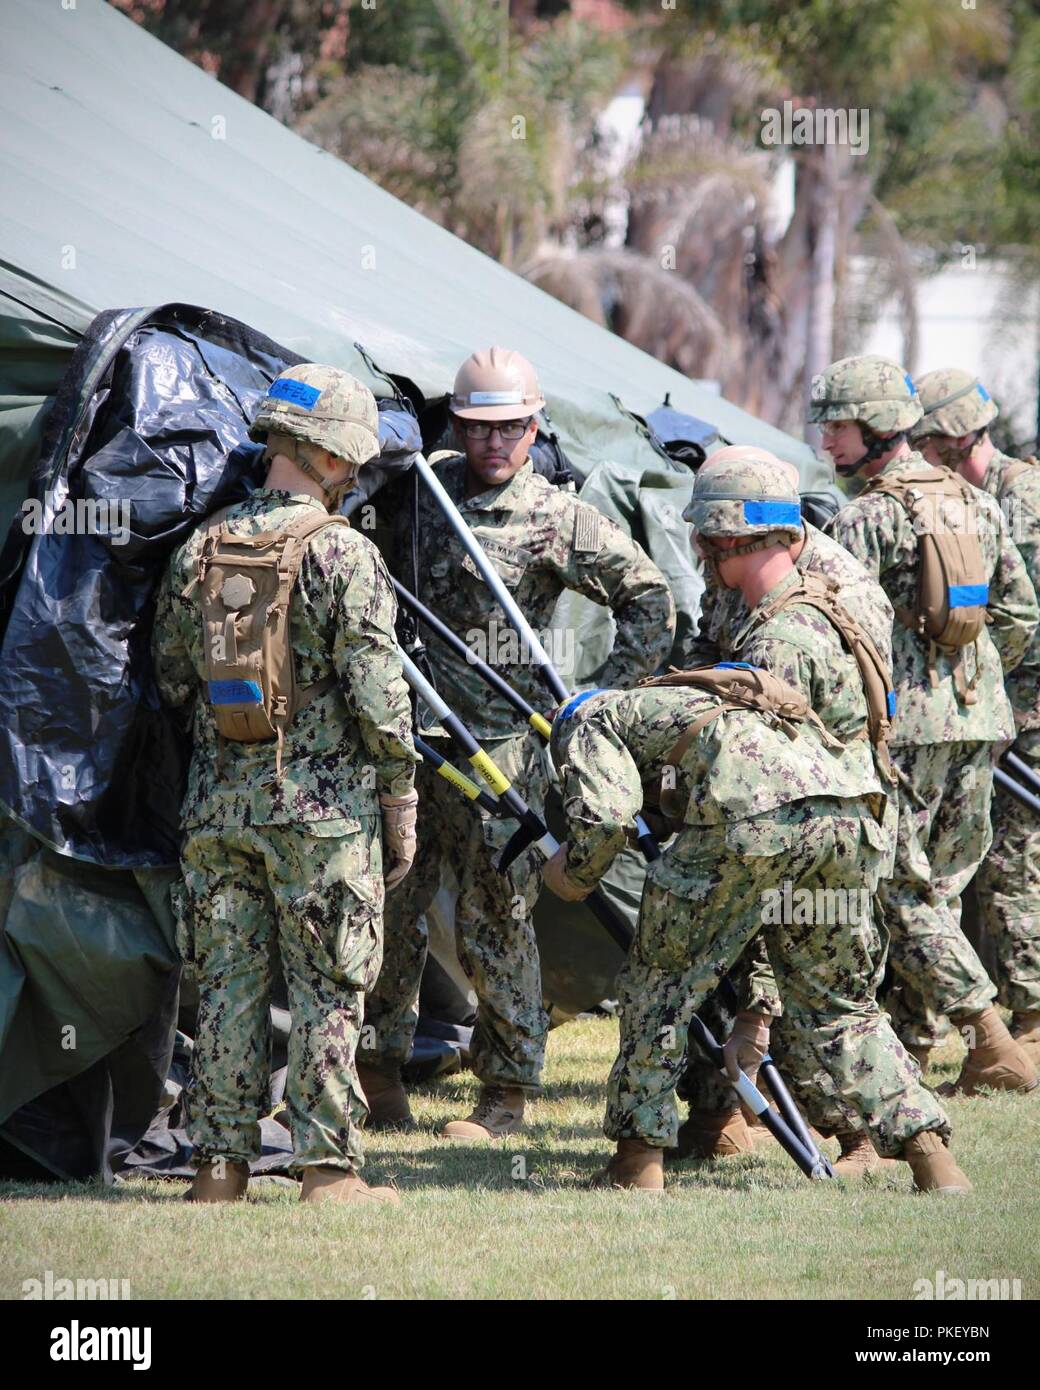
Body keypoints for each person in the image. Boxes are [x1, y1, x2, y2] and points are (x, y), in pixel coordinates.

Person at [361, 346, 676, 1140]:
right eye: (476, 428)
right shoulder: (420, 494)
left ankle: (504, 1091)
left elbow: (649, 598)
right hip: (411, 740)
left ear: (535, 428)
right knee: (390, 909)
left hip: (502, 746)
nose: (493, 444)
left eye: (509, 429)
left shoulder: (557, 515)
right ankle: (379, 1075)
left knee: (495, 918)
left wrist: (598, 702)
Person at [152, 364, 418, 1204]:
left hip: (215, 809)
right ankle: (328, 1171)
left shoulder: (200, 545)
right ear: (331, 457)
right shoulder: (343, 552)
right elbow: (381, 698)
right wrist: (400, 799)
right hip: (322, 816)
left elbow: (168, 674)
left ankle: (218, 1171)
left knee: (227, 989)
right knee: (329, 989)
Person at [542, 675, 968, 1196]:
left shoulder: (589, 722)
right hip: (850, 820)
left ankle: (636, 1161)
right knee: (841, 1007)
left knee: (659, 986)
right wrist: (754, 1013)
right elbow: (764, 909)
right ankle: (932, 1157)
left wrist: (574, 873)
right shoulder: (707, 706)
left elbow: (605, 819)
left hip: (756, 816)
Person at [814, 355, 1038, 1095]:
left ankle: (988, 1037)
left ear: (878, 427)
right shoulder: (976, 503)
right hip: (978, 726)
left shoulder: (865, 518)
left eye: (838, 429)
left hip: (903, 735)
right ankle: (914, 1051)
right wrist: (970, 688)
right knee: (937, 890)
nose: (826, 445)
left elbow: (834, 632)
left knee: (899, 893)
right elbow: (1019, 616)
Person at [683, 447, 902, 1176]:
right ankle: (716, 1119)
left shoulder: (831, 595)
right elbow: (712, 655)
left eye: (711, 539)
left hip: (823, 802)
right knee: (730, 965)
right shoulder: (744, 574)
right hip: (759, 794)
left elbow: (850, 719)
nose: (703, 552)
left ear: (737, 533)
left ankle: (863, 1138)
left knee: (821, 979)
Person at [911, 369, 1040, 1068]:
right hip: (997, 709)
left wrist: (987, 687)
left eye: (925, 441)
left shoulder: (1020, 501)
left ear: (956, 438)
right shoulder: (980, 497)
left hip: (1023, 711)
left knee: (1014, 865)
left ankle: (1030, 1022)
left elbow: (1026, 619)